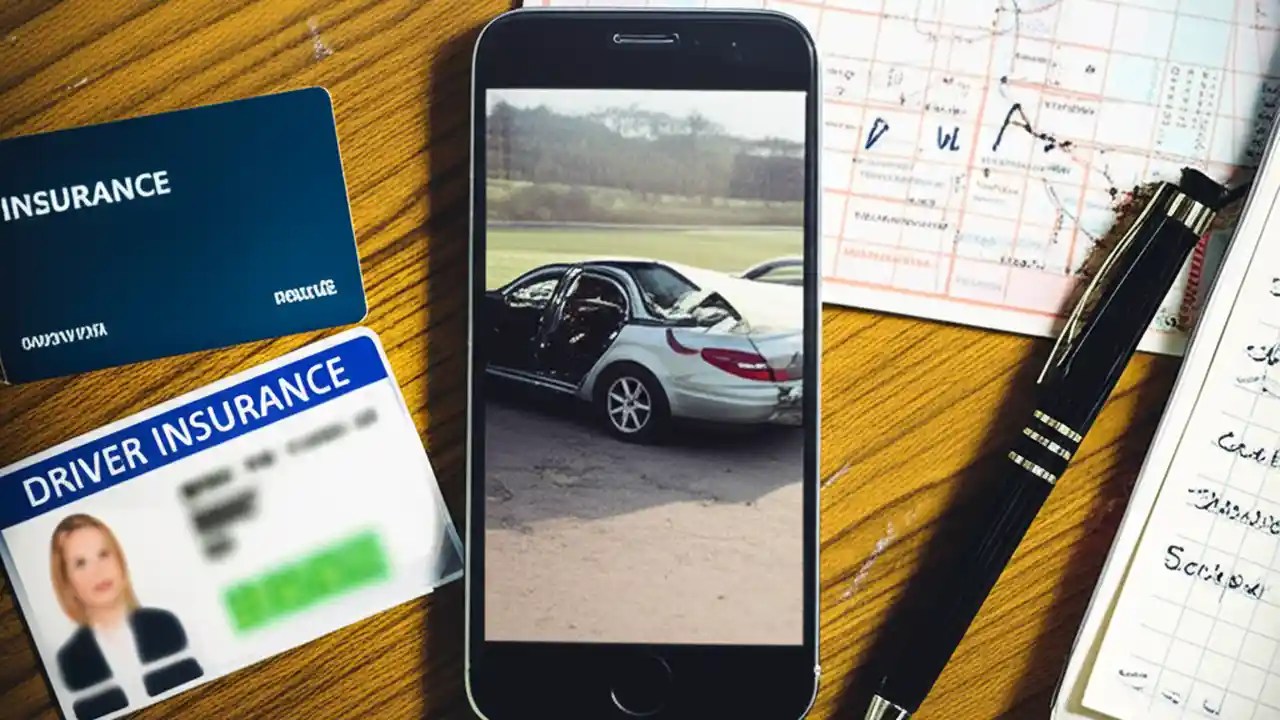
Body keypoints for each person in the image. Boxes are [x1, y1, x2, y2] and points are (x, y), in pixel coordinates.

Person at [49, 513, 203, 720]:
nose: (98, 571)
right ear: (67, 581)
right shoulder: (70, 661)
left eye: (103, 554)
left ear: (119, 560)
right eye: (81, 563)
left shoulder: (164, 626)